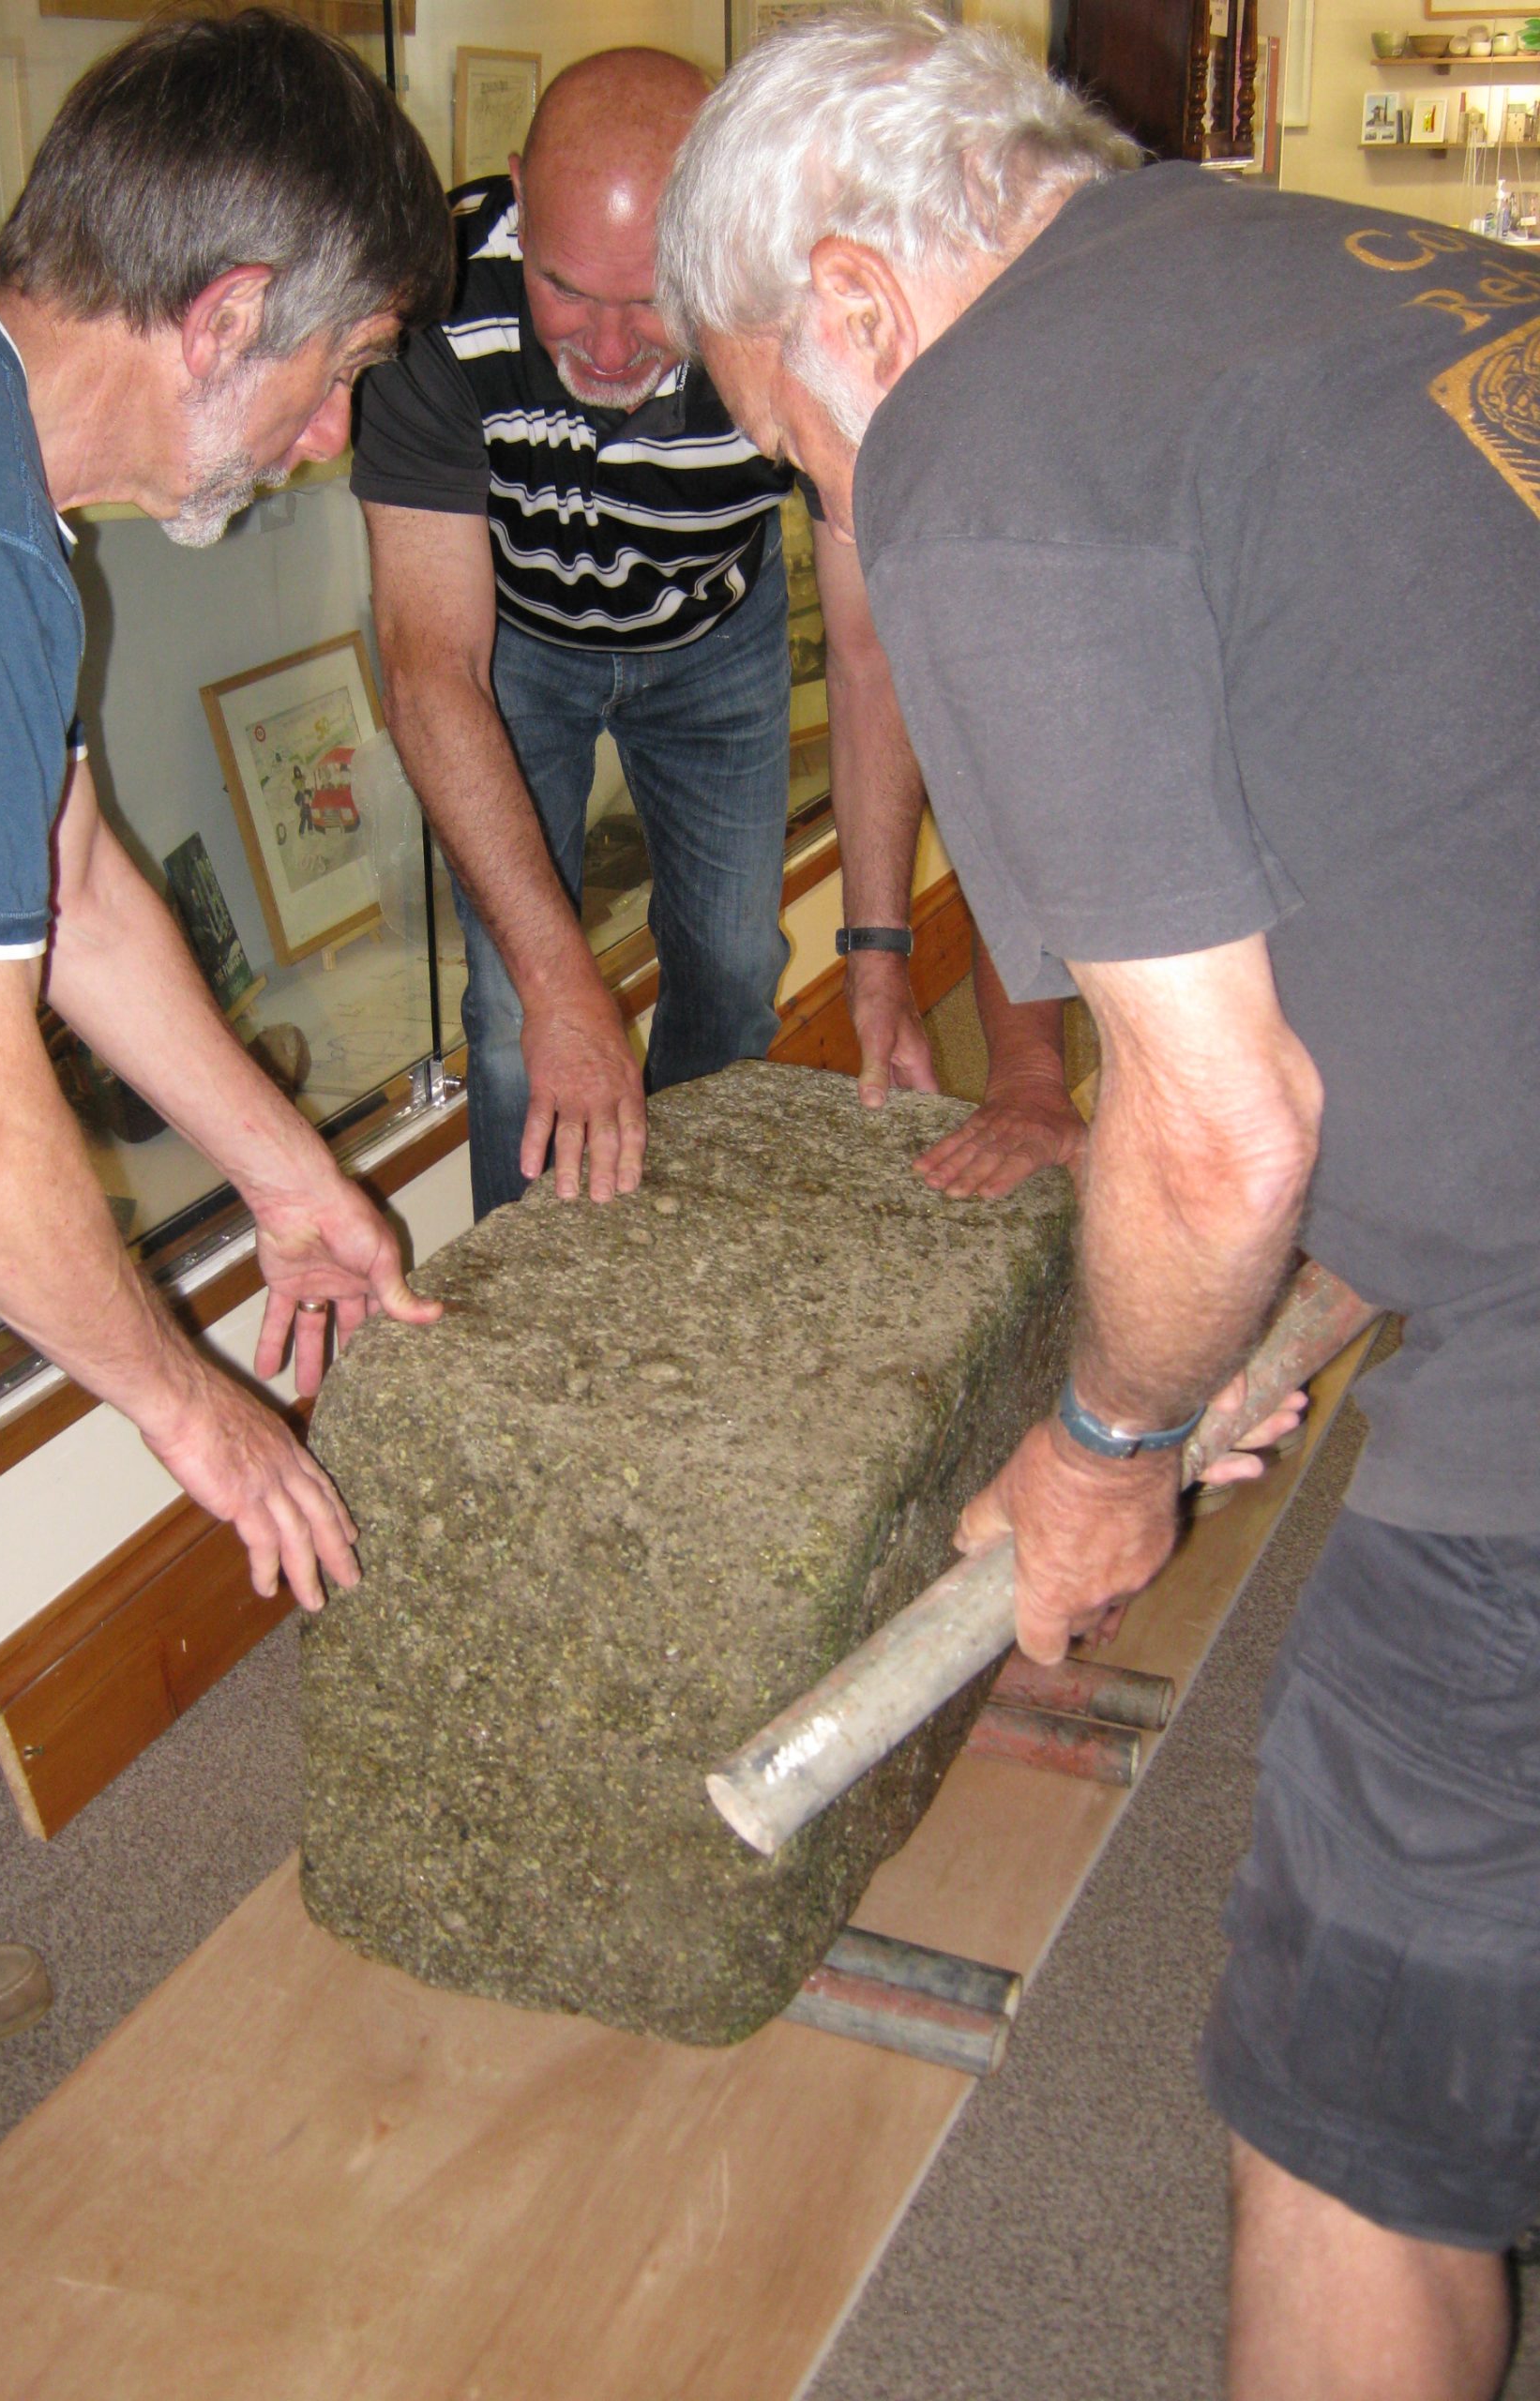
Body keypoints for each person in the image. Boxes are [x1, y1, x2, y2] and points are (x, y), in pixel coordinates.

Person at [657, 12, 1540, 2398]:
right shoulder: (1383, 282)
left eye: (794, 442)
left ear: (854, 302)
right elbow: (1457, 885)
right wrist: (1262, 1313)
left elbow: (1215, 1123)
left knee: (1361, 2133)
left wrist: (1107, 1445)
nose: (843, 501)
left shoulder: (991, 437)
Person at [0, 13, 450, 2390]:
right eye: (336, 374)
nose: (332, 437)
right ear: (228, 315)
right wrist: (191, 1404)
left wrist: (295, 1178)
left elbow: (66, 889)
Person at [351, 46, 1080, 1220]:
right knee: (514, 1012)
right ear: (519, 194)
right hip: (509, 651)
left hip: (714, 636)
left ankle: (688, 1241)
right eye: (563, 287)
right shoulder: (434, 299)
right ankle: (532, 1287)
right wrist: (562, 987)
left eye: (650, 301)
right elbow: (431, 667)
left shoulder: (799, 310)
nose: (605, 349)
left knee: (736, 970)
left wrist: (879, 952)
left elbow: (868, 655)